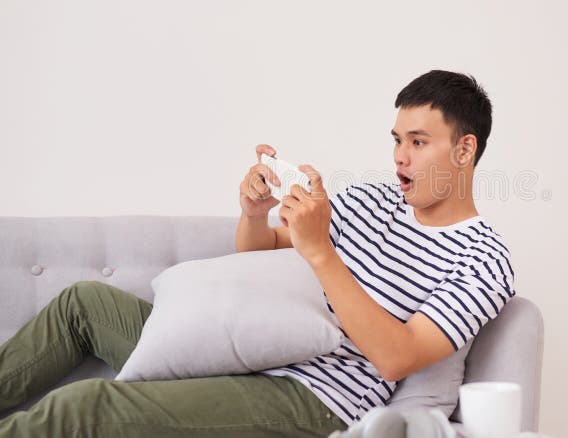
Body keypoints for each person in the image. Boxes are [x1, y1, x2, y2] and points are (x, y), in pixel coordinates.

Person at [0, 69, 514, 437]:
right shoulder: (370, 199)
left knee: (82, 408)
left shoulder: (483, 259)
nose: (401, 156)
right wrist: (253, 213)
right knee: (84, 305)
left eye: (419, 142)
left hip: (313, 398)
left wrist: (321, 254)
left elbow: (397, 356)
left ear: (464, 150)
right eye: (397, 139)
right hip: (248, 352)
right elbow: (261, 249)